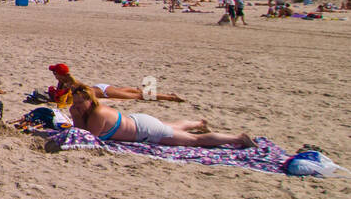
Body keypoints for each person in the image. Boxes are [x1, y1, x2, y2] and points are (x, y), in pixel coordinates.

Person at [63, 83, 253, 148]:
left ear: (90, 100)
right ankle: (199, 122)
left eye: (80, 102)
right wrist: (76, 112)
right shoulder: (90, 110)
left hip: (145, 130)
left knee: (195, 140)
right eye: (75, 102)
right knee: (172, 127)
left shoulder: (97, 113)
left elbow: (86, 137)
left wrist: (76, 117)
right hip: (139, 121)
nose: (77, 106)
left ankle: (238, 138)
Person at [47, 62, 184, 102]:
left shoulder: (72, 83)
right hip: (101, 88)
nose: (53, 75)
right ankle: (167, 95)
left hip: (104, 92)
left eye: (55, 73)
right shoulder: (63, 83)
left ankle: (170, 97)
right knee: (136, 91)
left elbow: (63, 98)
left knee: (139, 96)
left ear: (60, 74)